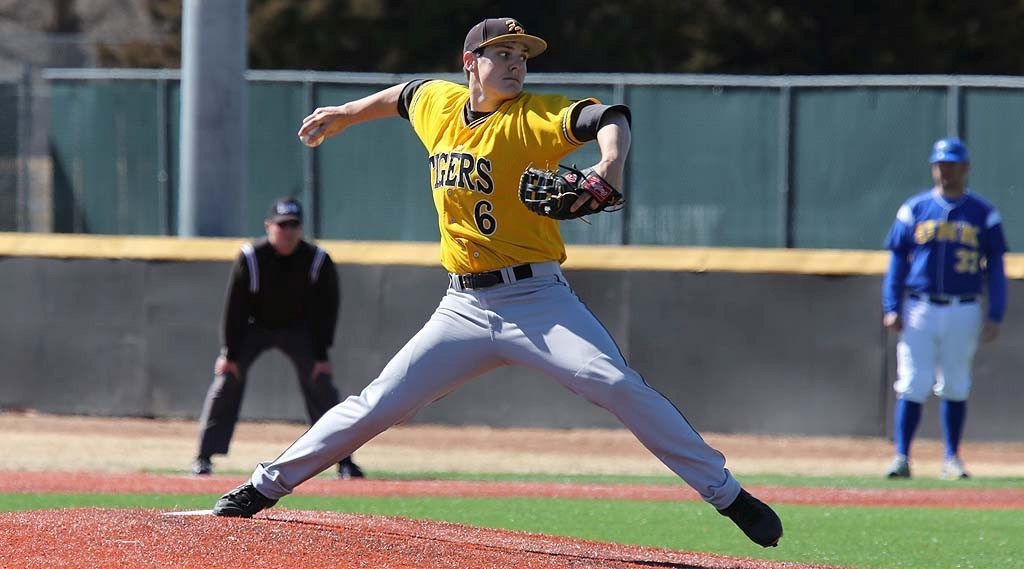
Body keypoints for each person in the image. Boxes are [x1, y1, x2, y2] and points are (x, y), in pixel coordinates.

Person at [211, 17, 782, 548]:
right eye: (502, 54)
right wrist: (347, 112)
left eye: (522, 56)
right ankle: (264, 485)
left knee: (614, 383)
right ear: (470, 61)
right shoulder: (440, 104)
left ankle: (727, 494)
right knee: (379, 401)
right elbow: (403, 95)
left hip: (537, 300)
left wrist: (608, 165)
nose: (515, 64)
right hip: (461, 307)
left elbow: (611, 117)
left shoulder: (532, 116)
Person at [191, 197, 364, 480]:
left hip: (300, 330)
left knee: (322, 386)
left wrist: (321, 356)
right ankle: (204, 457)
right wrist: (230, 354)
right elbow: (234, 308)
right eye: (282, 225)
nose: (287, 231)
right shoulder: (251, 257)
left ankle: (344, 460)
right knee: (227, 379)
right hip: (255, 327)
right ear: (268, 226)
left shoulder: (317, 260)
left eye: (294, 225)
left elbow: (326, 310)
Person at [882, 137, 1008, 480]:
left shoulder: (983, 212)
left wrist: (996, 311)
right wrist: (891, 304)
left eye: (952, 163)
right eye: (940, 164)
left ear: (965, 168)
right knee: (911, 382)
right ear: (933, 167)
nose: (945, 170)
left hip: (963, 307)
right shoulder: (915, 208)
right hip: (919, 306)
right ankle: (901, 457)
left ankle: (951, 458)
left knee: (955, 383)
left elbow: (995, 265)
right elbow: (897, 260)